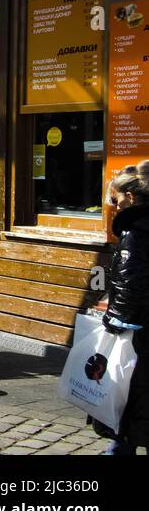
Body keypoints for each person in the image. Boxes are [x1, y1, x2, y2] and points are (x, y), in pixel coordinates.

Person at [93, 170, 149, 454]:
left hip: (138, 331)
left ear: (130, 197)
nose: (114, 206)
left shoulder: (135, 233)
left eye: (115, 200)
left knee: (127, 397)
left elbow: (131, 284)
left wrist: (112, 322)